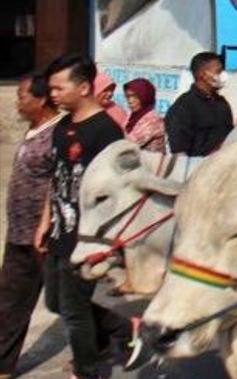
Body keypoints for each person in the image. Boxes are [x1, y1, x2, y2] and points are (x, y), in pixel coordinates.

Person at [33, 54, 129, 379]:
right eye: (51, 89)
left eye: (59, 88)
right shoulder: (63, 126)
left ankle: (87, 371)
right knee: (55, 303)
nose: (53, 95)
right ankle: (120, 328)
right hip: (59, 230)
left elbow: (120, 191)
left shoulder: (107, 133)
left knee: (73, 313)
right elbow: (57, 176)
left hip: (85, 240)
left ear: (84, 87)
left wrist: (111, 242)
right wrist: (46, 220)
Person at [0, 74, 63, 375]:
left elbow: (58, 182)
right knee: (10, 302)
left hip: (43, 236)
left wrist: (46, 223)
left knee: (69, 299)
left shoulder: (58, 133)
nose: (18, 101)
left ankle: (119, 330)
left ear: (41, 100)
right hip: (18, 233)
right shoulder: (33, 128)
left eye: (23, 96)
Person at [165, 52, 234, 158]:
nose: (223, 75)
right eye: (218, 72)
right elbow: (179, 150)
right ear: (202, 74)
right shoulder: (184, 106)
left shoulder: (222, 103)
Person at [123, 78, 165, 153]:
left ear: (145, 96)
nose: (130, 101)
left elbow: (128, 144)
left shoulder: (153, 120)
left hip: (151, 163)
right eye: (128, 97)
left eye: (135, 96)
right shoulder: (131, 117)